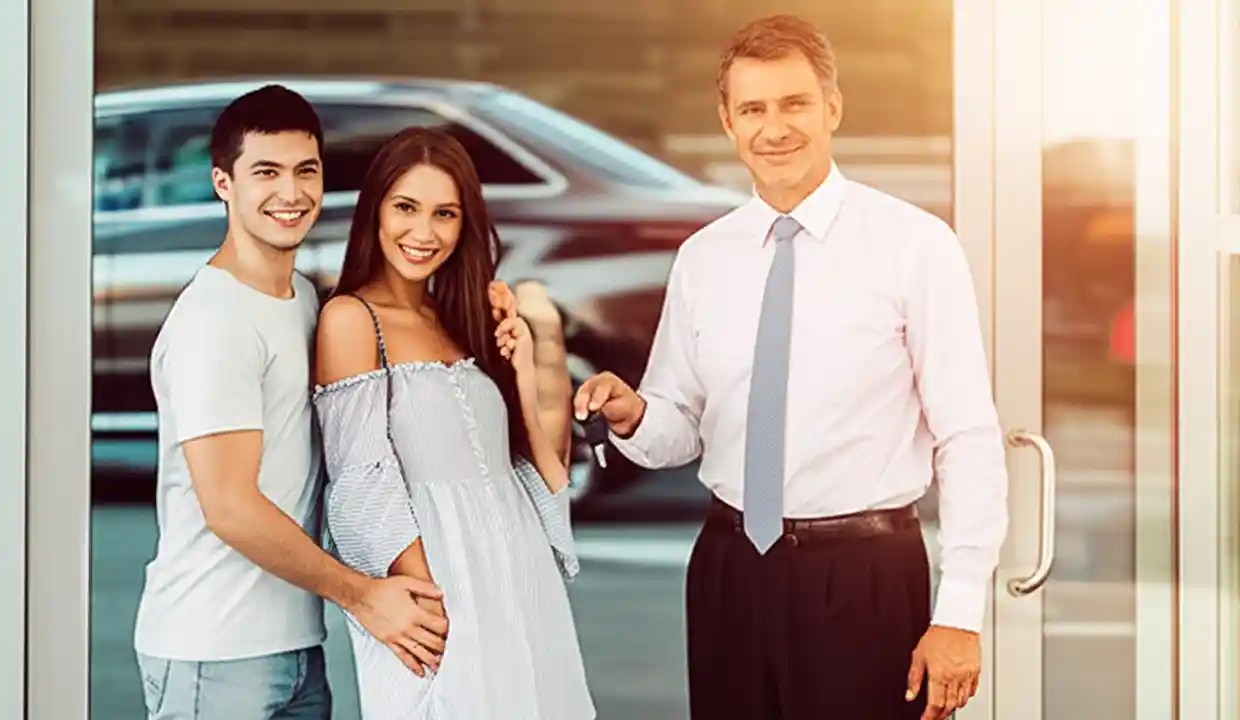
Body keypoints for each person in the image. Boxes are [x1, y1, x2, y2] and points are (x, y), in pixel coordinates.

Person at [575, 15, 1009, 720]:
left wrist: (959, 611)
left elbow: (967, 436)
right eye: (753, 109)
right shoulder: (705, 258)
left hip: (864, 576)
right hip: (728, 569)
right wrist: (633, 414)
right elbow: (680, 425)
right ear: (726, 120)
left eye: (794, 103)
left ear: (832, 107)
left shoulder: (914, 246)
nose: (774, 128)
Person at [133, 85, 447, 719]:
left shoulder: (303, 298)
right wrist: (361, 595)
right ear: (223, 183)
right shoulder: (214, 321)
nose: (291, 192)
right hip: (213, 652)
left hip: (295, 647)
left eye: (306, 171)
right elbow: (230, 506)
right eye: (265, 172)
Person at [311, 126, 595, 719]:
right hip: (435, 594)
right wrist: (438, 615)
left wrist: (522, 368)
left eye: (445, 213)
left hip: (517, 581)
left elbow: (539, 469)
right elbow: (362, 484)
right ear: (375, 213)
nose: (424, 233)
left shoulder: (461, 317)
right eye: (406, 208)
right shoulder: (351, 319)